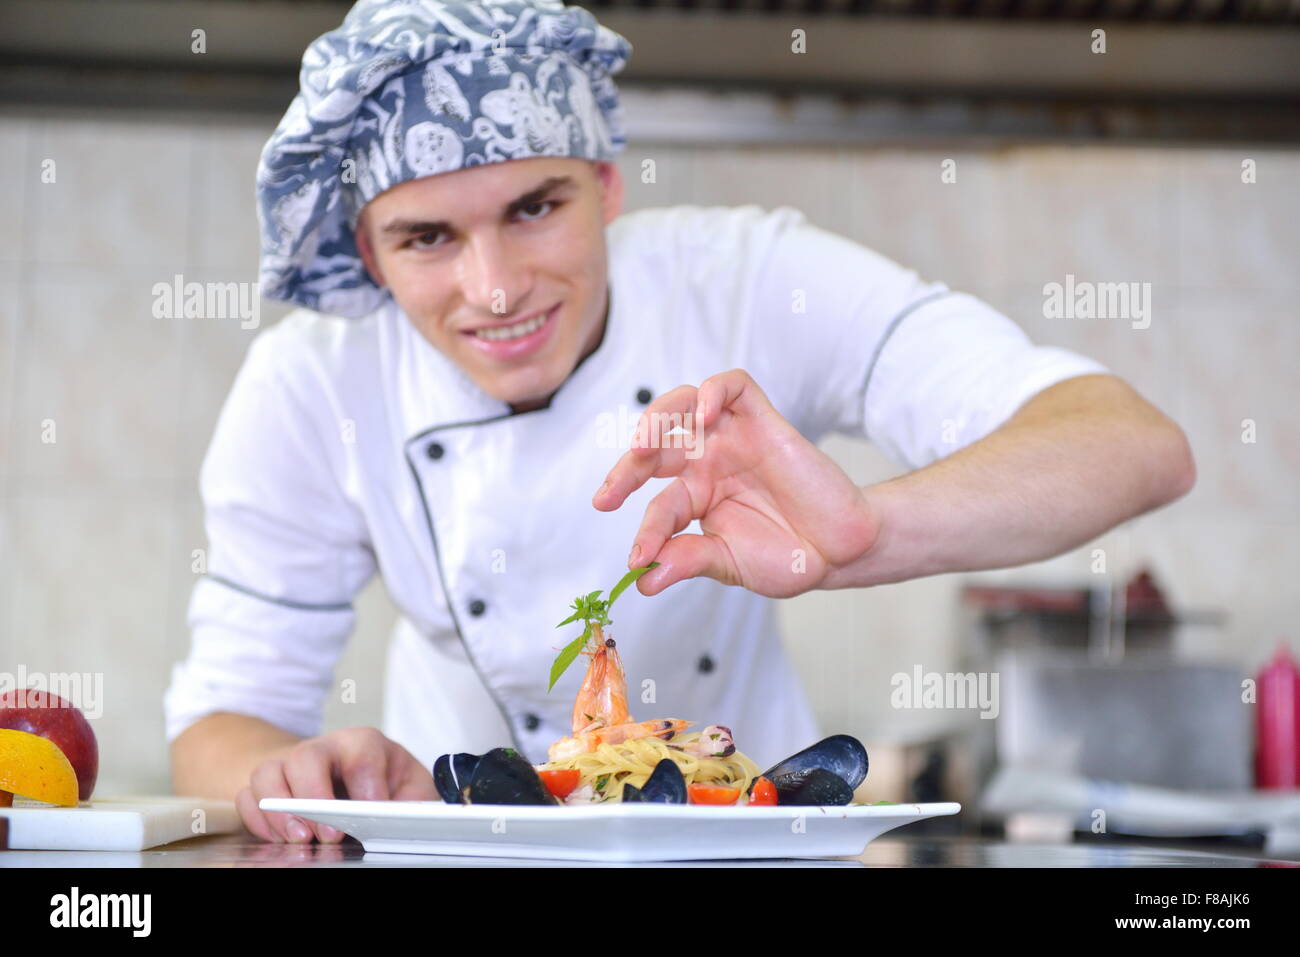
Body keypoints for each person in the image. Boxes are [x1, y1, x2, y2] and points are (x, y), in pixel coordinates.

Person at [165, 0, 1195, 843]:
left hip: (751, 853)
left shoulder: (744, 282)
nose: (494, 290)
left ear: (607, 185)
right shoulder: (311, 387)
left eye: (535, 208)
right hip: (461, 856)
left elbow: (1130, 445)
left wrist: (861, 534)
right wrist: (279, 766)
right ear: (367, 253)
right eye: (426, 237)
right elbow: (219, 716)